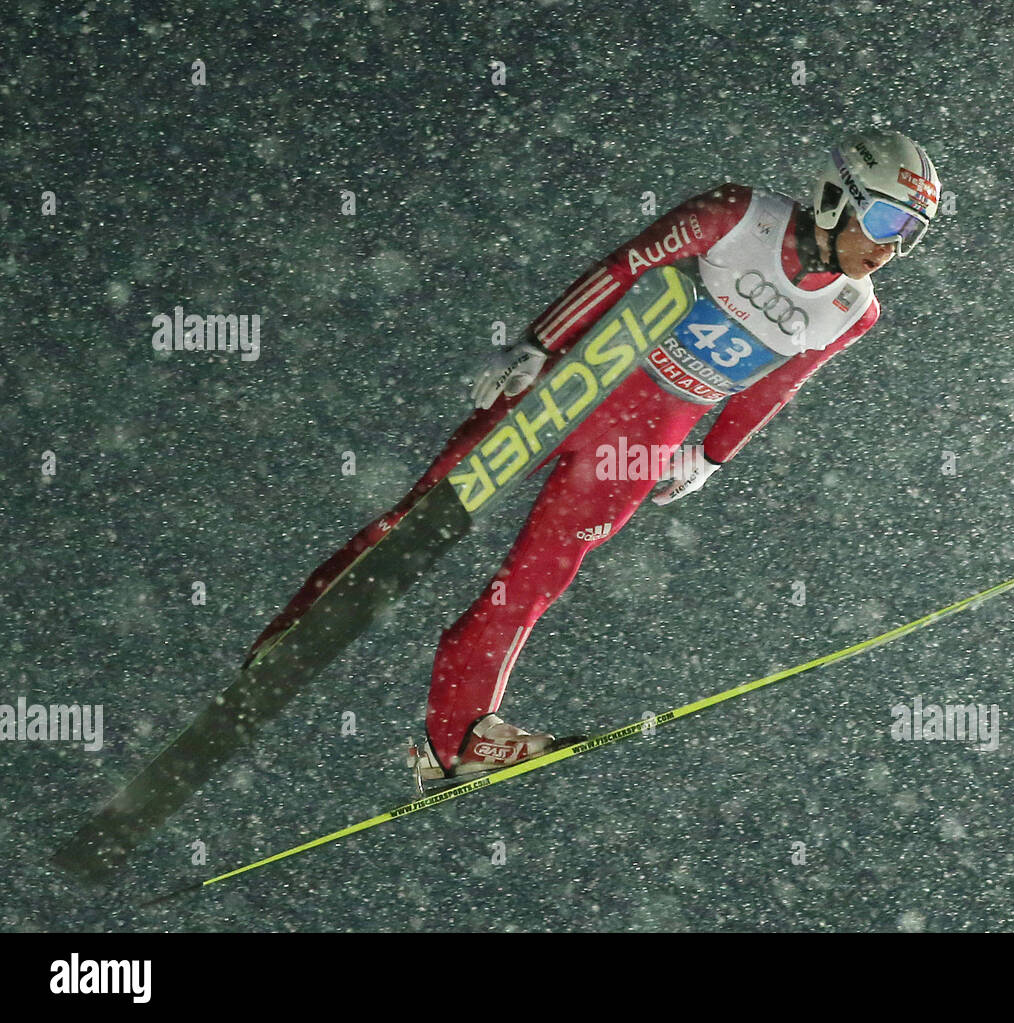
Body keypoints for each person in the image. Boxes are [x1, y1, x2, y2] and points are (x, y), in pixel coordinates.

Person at [245, 127, 942, 782]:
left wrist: (711, 458)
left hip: (647, 435)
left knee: (538, 578)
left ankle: (456, 739)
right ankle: (295, 635)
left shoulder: (855, 311)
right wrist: (539, 343)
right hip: (580, 382)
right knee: (432, 508)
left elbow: (779, 386)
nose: (891, 249)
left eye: (909, 235)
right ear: (834, 196)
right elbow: (623, 265)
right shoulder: (737, 214)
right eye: (884, 222)